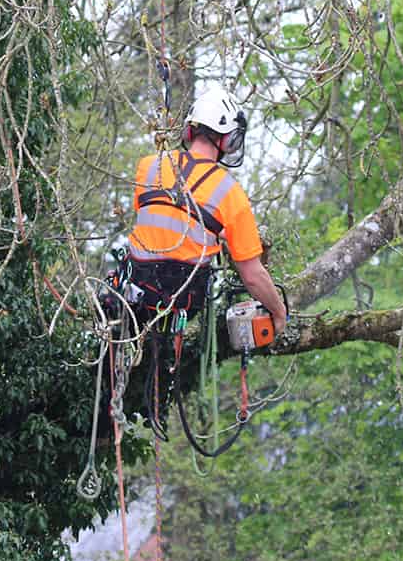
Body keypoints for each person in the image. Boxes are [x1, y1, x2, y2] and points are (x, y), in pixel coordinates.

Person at [118, 87, 288, 437]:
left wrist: (206, 230)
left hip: (133, 287)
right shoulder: (229, 193)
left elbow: (159, 218)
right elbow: (253, 275)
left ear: (191, 130)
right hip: (181, 296)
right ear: (226, 141)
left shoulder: (149, 166)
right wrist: (280, 312)